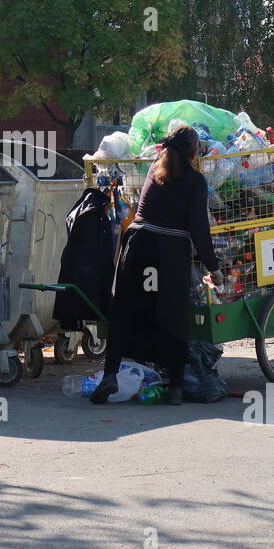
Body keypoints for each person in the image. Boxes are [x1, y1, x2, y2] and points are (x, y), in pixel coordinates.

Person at [90, 124, 220, 406]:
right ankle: (174, 386)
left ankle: (110, 375)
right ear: (193, 153)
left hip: (137, 244)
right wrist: (214, 267)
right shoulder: (196, 181)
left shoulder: (154, 169)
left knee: (123, 311)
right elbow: (200, 228)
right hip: (169, 250)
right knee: (173, 316)